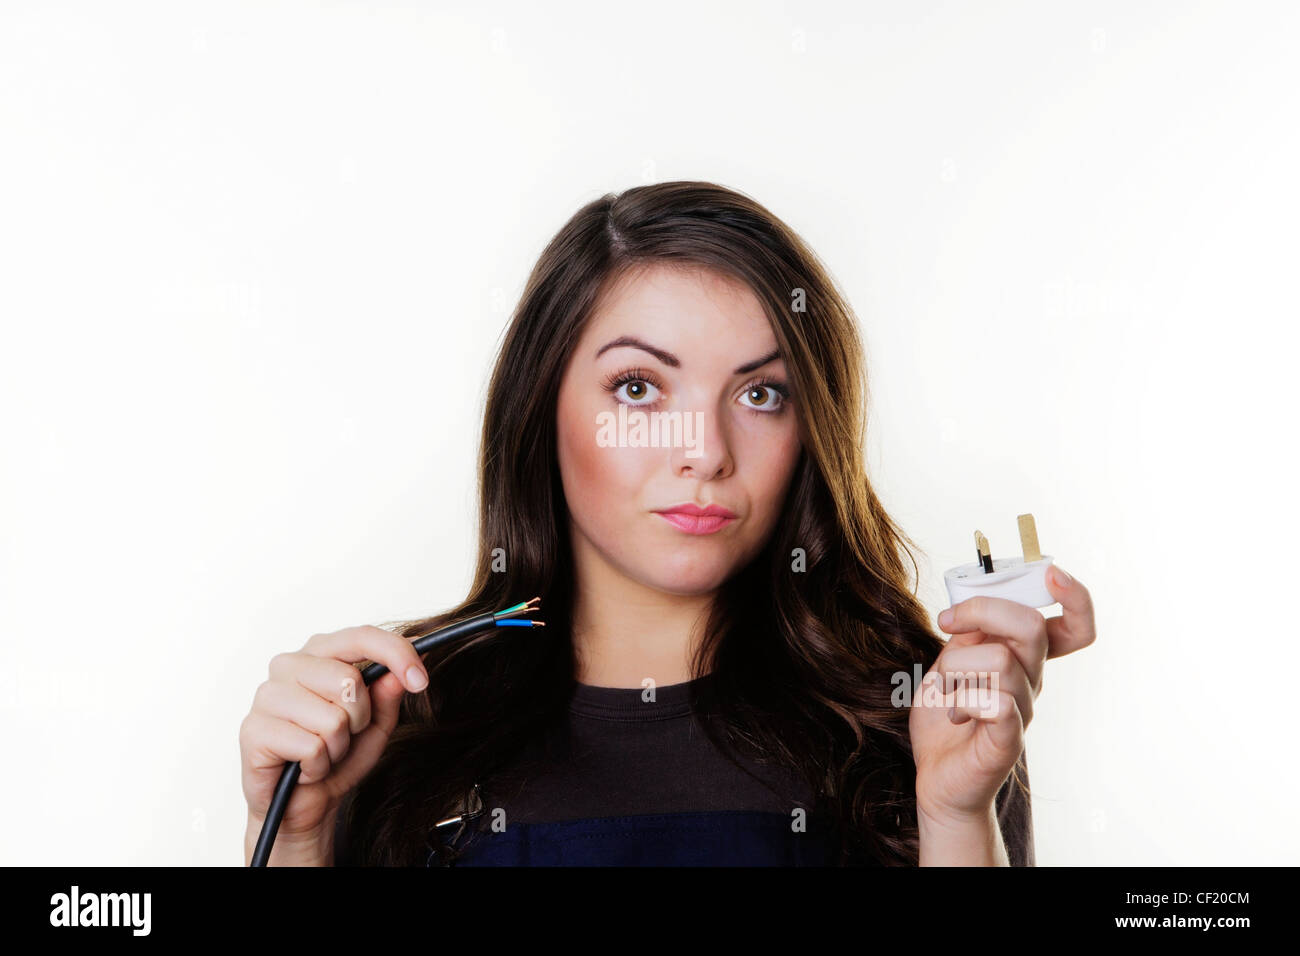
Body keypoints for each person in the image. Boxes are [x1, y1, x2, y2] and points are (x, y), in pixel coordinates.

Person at [239, 181, 1096, 866]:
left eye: (760, 395)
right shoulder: (392, 723)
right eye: (639, 388)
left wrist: (953, 817)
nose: (705, 452)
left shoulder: (911, 717)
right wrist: (301, 836)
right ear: (542, 408)